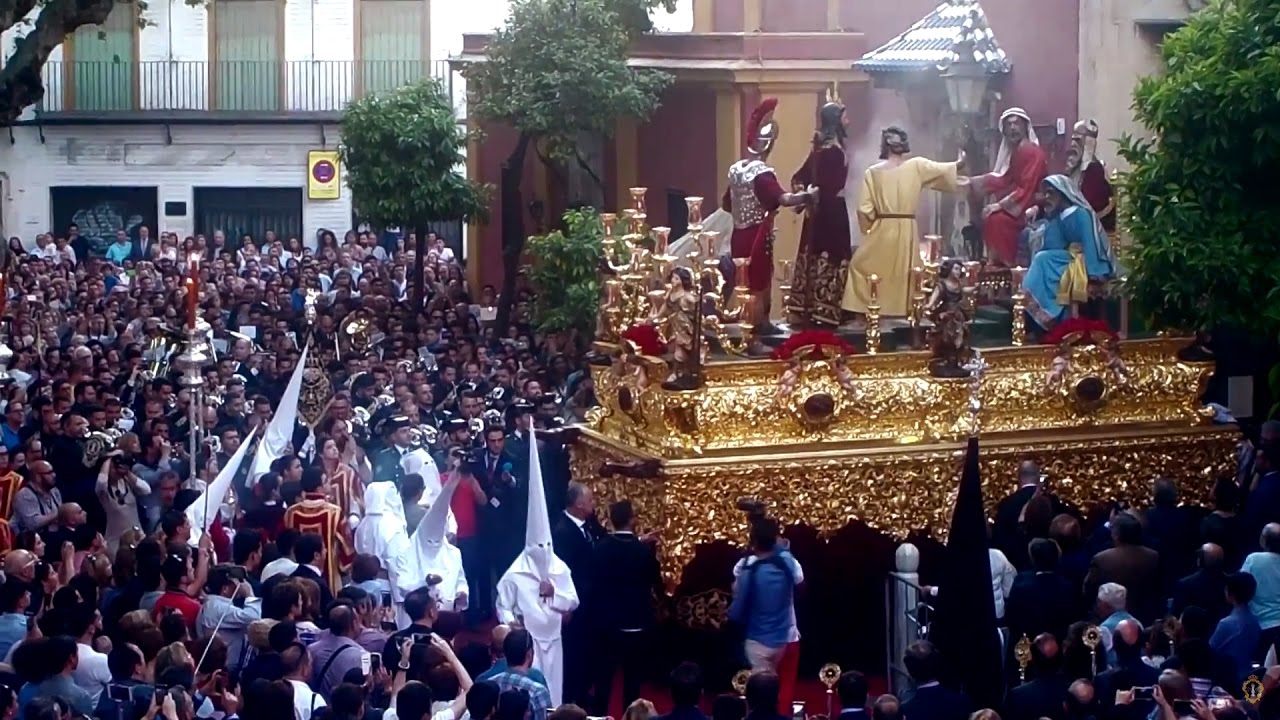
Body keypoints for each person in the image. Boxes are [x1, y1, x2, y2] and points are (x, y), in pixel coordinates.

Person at [842, 126, 963, 318]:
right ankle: (902, 313)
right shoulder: (917, 166)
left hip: (882, 229)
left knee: (863, 267)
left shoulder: (874, 172)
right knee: (905, 274)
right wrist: (959, 161)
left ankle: (873, 310)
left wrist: (869, 229)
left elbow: (864, 210)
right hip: (906, 229)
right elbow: (950, 169)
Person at [495, 431, 578, 707]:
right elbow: (503, 603)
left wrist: (554, 593)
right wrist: (510, 623)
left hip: (553, 638)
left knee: (554, 685)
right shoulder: (516, 573)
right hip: (527, 642)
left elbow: (573, 601)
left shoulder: (559, 567)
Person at [720, 97, 816, 334]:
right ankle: (753, 330)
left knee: (744, 280)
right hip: (756, 235)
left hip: (738, 234)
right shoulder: (763, 174)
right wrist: (807, 195)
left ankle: (758, 324)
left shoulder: (736, 169)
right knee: (758, 281)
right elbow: (784, 199)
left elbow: (726, 204)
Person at [786, 92, 851, 328]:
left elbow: (799, 178)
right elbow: (803, 178)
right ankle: (825, 309)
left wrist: (808, 198)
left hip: (825, 212)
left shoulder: (824, 149)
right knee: (832, 257)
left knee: (822, 257)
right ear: (836, 120)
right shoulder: (830, 151)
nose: (848, 121)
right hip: (831, 214)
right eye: (845, 117)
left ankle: (817, 306)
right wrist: (808, 198)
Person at [1020, 175, 1116, 331]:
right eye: (1045, 194)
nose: (1047, 197)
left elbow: (1090, 241)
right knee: (1042, 259)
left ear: (1063, 193)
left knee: (1042, 260)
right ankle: (1036, 308)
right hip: (1066, 257)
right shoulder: (1058, 217)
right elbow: (1053, 245)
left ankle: (1037, 307)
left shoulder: (1082, 213)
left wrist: (1094, 272)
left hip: (1084, 260)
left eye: (1051, 193)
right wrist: (1040, 230)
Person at [967, 107, 1048, 267]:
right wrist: (973, 183)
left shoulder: (1032, 152)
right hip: (1020, 203)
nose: (1012, 128)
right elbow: (1005, 180)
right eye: (1009, 125)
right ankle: (995, 263)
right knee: (989, 216)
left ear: (1025, 127)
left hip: (1033, 206)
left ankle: (1009, 266)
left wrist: (999, 206)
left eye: (1016, 124)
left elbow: (1027, 188)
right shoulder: (1017, 152)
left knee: (997, 220)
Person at [1065, 119, 1115, 234]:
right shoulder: (1074, 168)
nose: (1072, 144)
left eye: (1077, 140)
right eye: (1072, 139)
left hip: (1094, 226)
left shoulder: (1094, 169)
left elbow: (1088, 205)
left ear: (1087, 143)